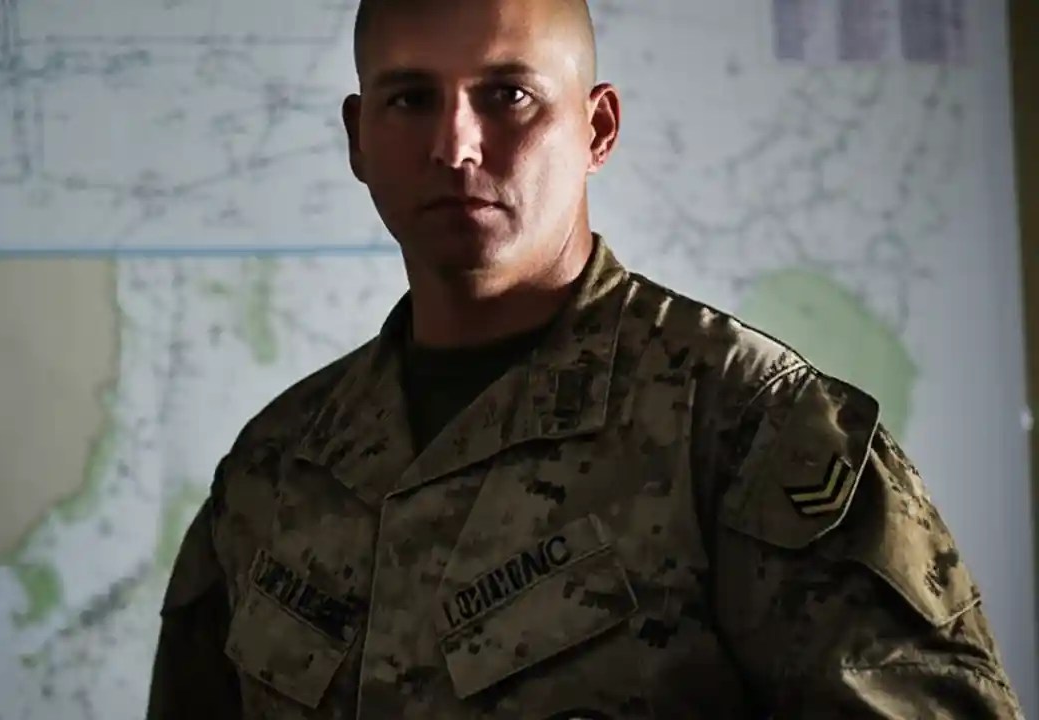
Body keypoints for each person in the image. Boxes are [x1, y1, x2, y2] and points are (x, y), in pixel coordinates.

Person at [147, 0, 1023, 716]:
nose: (456, 145)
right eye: (411, 99)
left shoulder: (745, 428)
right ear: (358, 138)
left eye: (508, 96)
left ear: (597, 128)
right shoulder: (278, 466)